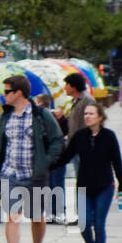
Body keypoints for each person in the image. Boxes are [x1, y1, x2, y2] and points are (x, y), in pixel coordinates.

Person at [0, 74, 64, 243]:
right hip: (10, 173)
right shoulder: (5, 116)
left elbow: (58, 140)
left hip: (35, 175)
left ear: (19, 93)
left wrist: (45, 163)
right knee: (13, 216)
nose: (4, 95)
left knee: (36, 217)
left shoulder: (40, 114)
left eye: (7, 91)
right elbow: (3, 143)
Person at [49, 101, 122, 243]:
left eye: (91, 114)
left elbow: (117, 162)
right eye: (85, 114)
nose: (87, 116)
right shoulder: (80, 136)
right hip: (84, 186)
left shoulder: (109, 136)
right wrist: (46, 166)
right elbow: (65, 158)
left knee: (99, 224)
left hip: (105, 186)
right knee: (84, 225)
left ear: (100, 117)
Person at [35, 93, 69, 224]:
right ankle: (56, 212)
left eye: (36, 101)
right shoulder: (55, 117)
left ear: (40, 103)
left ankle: (53, 212)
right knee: (55, 184)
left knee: (51, 185)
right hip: (54, 156)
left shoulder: (47, 117)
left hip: (52, 156)